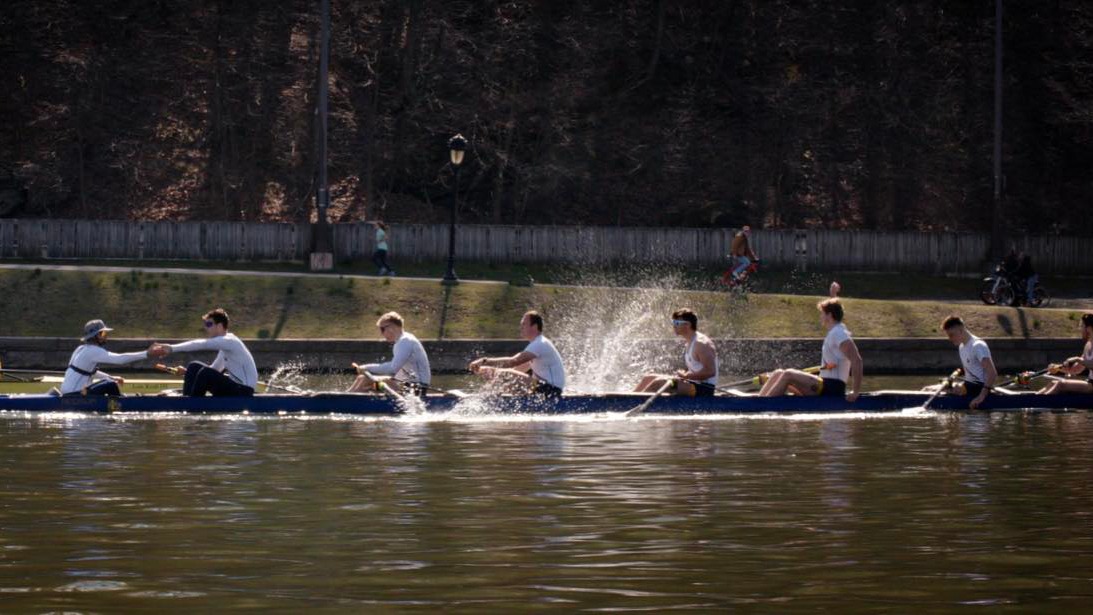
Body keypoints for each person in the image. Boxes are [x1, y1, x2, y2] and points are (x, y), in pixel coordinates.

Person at [759, 298, 862, 402]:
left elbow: (857, 360)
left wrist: (855, 392)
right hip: (824, 385)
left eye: (822, 313)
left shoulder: (839, 333)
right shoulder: (835, 331)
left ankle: (761, 405)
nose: (820, 317)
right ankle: (758, 401)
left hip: (832, 389)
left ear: (829, 315)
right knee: (778, 373)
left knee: (788, 374)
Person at [149, 308, 258, 397]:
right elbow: (215, 370)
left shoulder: (230, 342)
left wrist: (172, 348)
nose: (206, 328)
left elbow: (202, 344)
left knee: (205, 373)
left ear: (219, 326)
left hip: (244, 391)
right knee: (194, 366)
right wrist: (187, 373)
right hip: (236, 388)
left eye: (209, 324)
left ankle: (192, 405)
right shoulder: (225, 347)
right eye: (206, 324)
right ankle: (187, 399)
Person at [468, 310, 566, 397]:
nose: (521, 327)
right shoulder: (535, 346)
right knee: (498, 374)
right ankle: (486, 397)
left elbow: (513, 361)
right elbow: (516, 370)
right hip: (543, 387)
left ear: (534, 326)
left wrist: (484, 361)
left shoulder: (540, 343)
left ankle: (485, 401)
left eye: (524, 324)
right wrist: (488, 371)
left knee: (504, 374)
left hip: (552, 390)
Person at [633, 308, 719, 397]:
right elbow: (696, 368)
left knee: (658, 383)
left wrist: (687, 376)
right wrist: (685, 376)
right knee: (648, 378)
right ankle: (629, 398)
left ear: (688, 325)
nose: (674, 326)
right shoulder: (691, 341)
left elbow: (710, 371)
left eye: (677, 323)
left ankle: (635, 403)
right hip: (691, 383)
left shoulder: (701, 344)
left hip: (702, 389)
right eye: (673, 322)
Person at [60, 319, 154, 396]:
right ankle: (122, 404)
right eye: (103, 334)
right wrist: (147, 354)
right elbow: (120, 359)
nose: (106, 336)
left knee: (109, 381)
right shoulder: (93, 351)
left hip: (67, 392)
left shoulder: (80, 348)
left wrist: (111, 377)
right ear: (96, 336)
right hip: (75, 395)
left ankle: (118, 400)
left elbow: (92, 372)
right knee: (111, 384)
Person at [347, 312, 431, 396]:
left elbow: (392, 368)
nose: (381, 333)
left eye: (382, 329)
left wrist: (366, 368)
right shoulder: (400, 342)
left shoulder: (406, 341)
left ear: (391, 327)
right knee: (361, 378)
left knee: (366, 380)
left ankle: (346, 401)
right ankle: (346, 396)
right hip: (404, 384)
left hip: (416, 387)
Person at [940, 315, 997, 409]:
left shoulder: (978, 346)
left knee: (938, 388)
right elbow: (971, 372)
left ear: (960, 330)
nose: (949, 339)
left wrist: (981, 397)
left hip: (978, 390)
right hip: (969, 387)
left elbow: (992, 373)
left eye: (951, 335)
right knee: (931, 388)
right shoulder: (961, 347)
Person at [1040, 312, 1093, 395]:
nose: (1080, 329)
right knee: (1053, 382)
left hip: (1091, 385)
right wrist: (1058, 368)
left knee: (1061, 384)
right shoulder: (1088, 345)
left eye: (1082, 326)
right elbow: (1076, 370)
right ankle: (1031, 400)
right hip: (1090, 382)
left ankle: (1038, 403)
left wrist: (1076, 359)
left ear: (1089, 328)